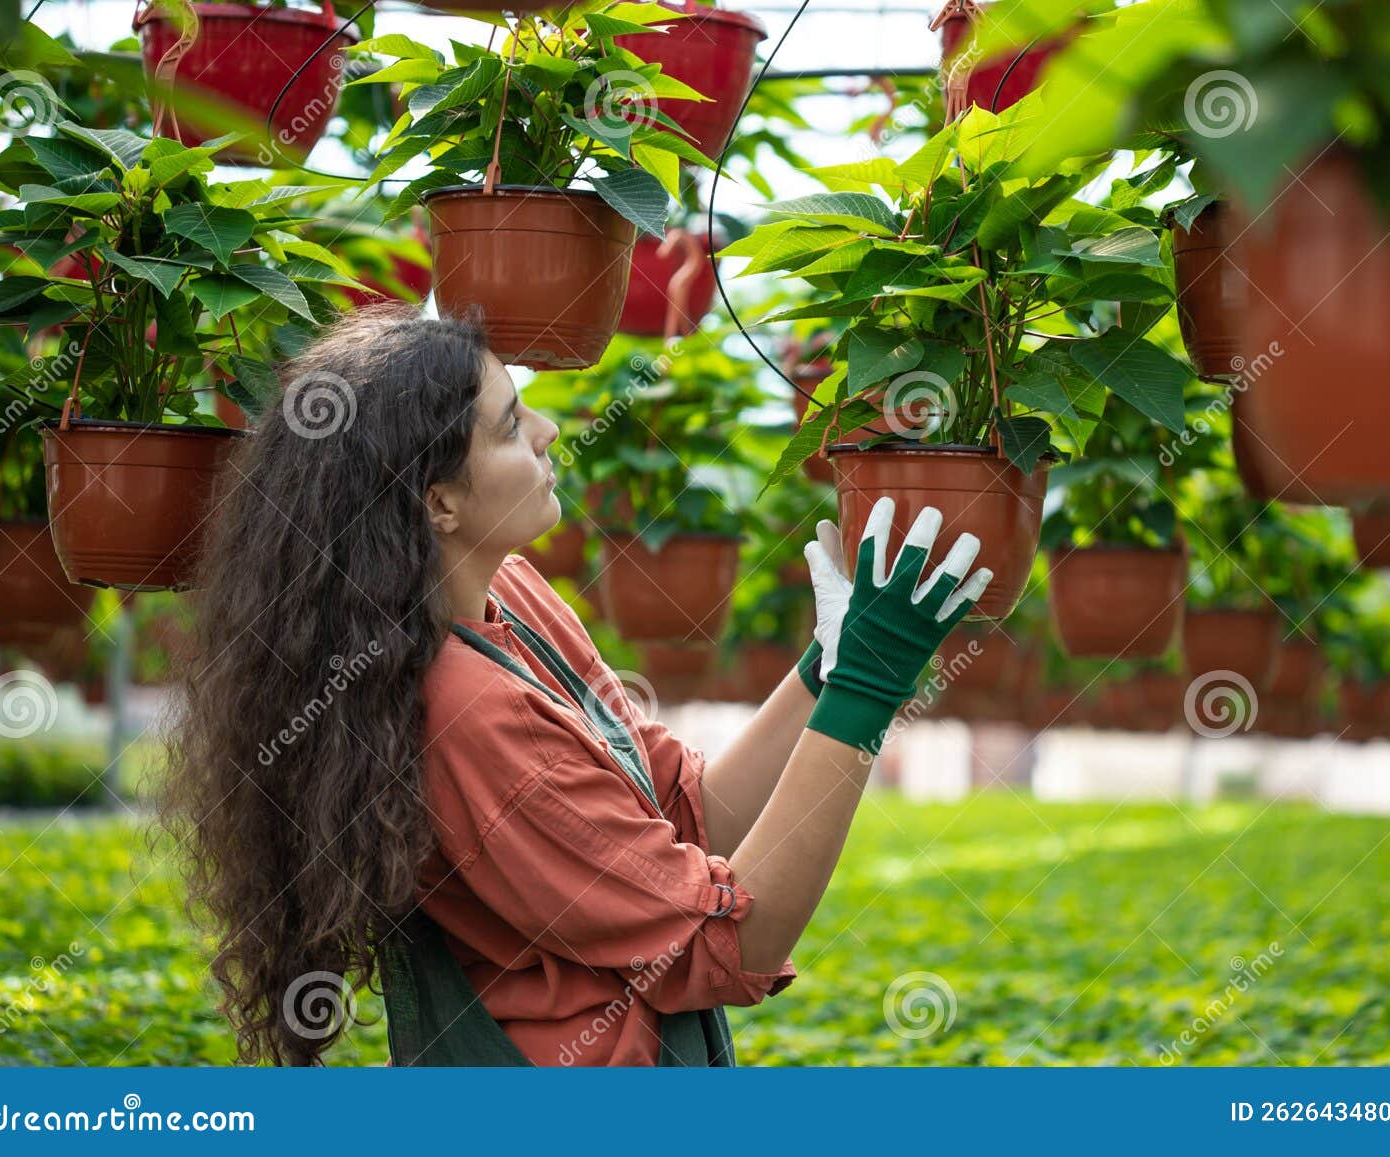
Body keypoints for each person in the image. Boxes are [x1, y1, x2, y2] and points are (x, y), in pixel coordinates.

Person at [161, 306, 991, 1066]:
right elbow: (730, 938)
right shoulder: (466, 714)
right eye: (511, 426)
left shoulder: (511, 597)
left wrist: (825, 669)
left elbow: (681, 809)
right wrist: (867, 689)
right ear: (440, 502)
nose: (552, 430)